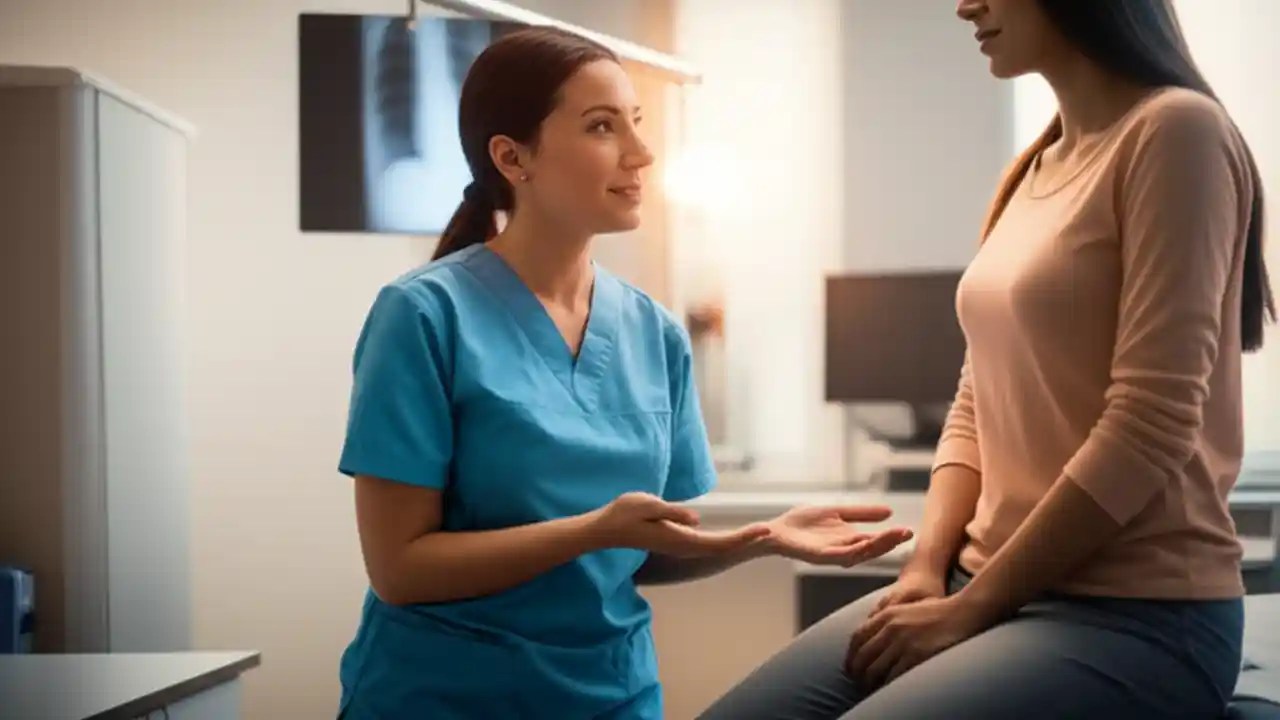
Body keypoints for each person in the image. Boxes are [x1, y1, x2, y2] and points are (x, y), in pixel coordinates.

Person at [699, 1, 1276, 718]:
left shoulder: (1178, 132)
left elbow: (1150, 422)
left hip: (1137, 615)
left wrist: (974, 608)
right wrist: (926, 567)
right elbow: (974, 400)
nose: (965, 5)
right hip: (982, 583)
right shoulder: (1030, 169)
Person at [332, 26, 913, 720]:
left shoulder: (652, 331)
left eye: (636, 122)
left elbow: (642, 550)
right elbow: (400, 570)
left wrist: (760, 537)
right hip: (444, 697)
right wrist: (591, 531)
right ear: (512, 157)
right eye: (602, 126)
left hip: (614, 696)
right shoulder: (423, 316)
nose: (641, 153)